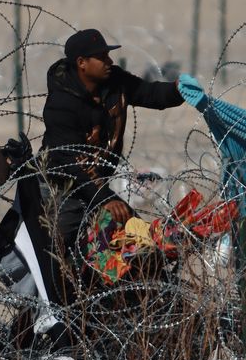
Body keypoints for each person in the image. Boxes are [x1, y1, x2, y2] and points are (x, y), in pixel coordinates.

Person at [38, 28, 184, 302]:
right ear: (81, 63)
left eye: (107, 55)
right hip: (61, 193)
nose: (109, 61)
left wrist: (178, 90)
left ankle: (133, 304)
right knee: (58, 262)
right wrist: (104, 197)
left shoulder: (114, 82)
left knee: (137, 239)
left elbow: (149, 93)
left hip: (94, 188)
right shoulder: (60, 104)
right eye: (101, 57)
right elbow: (72, 161)